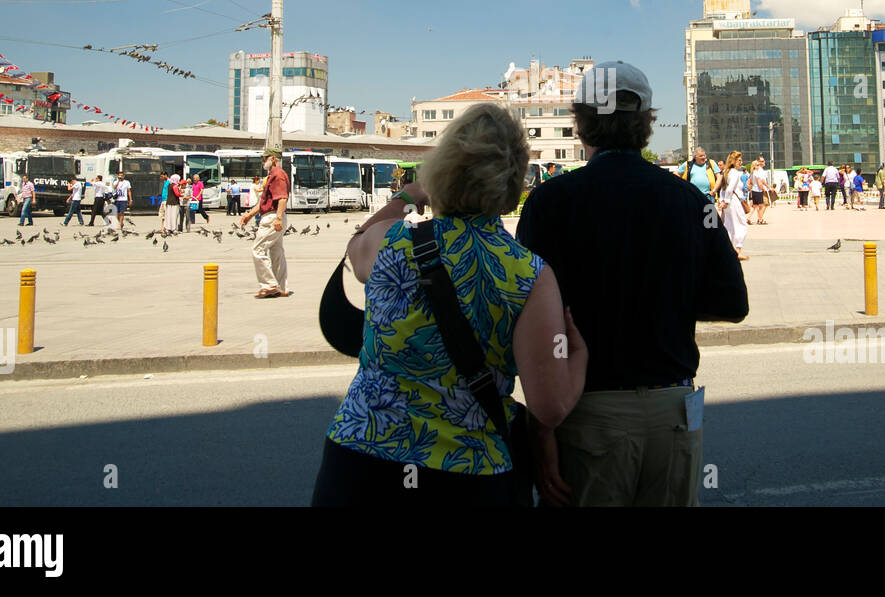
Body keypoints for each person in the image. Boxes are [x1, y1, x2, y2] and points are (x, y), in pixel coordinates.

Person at [313, 103, 588, 507]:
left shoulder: (393, 243)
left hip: (359, 461)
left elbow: (357, 246)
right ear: (513, 182)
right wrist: (579, 355)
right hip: (468, 474)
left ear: (440, 170)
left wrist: (410, 194)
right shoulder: (528, 274)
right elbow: (550, 407)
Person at [516, 60, 748, 507]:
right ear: (646, 125)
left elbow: (533, 324)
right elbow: (733, 303)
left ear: (581, 126)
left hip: (583, 412)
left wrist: (541, 431)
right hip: (674, 415)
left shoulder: (549, 203)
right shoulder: (689, 201)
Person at [242, 149, 290, 298]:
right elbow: (264, 200)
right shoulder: (272, 175)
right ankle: (281, 287)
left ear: (273, 158)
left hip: (272, 217)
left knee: (257, 249)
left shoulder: (278, 175)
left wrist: (278, 218)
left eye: (265, 158)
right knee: (277, 252)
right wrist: (250, 214)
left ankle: (269, 285)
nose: (263, 162)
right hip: (272, 215)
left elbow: (282, 198)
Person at [718, 151, 750, 260]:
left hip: (728, 202)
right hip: (733, 201)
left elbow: (724, 188)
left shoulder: (727, 172)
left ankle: (727, 249)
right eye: (739, 160)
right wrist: (726, 200)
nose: (741, 162)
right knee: (741, 225)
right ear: (734, 161)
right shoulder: (735, 173)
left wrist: (723, 200)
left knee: (729, 226)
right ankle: (738, 250)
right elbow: (730, 188)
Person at [750, 157, 771, 225]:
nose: (763, 162)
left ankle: (758, 218)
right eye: (761, 161)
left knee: (757, 206)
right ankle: (760, 219)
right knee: (763, 205)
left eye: (763, 161)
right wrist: (765, 188)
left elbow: (750, 181)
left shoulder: (756, 171)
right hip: (759, 190)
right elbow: (761, 182)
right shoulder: (758, 171)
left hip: (756, 190)